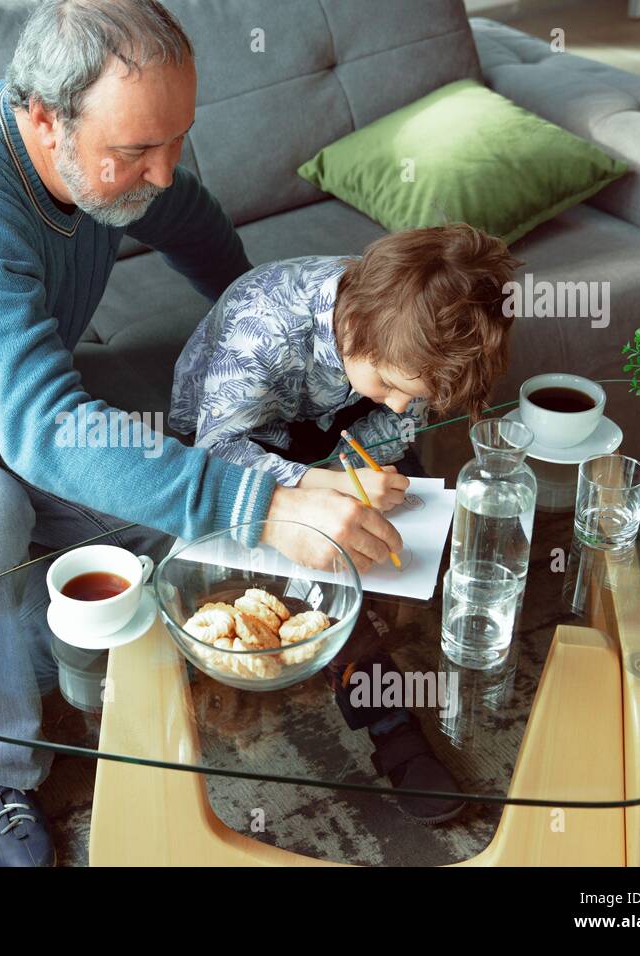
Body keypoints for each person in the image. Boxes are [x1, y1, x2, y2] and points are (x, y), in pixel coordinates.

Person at [0, 0, 403, 867]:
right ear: (46, 121)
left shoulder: (118, 162)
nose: (163, 173)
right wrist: (263, 501)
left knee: (167, 523)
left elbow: (191, 220)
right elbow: (45, 427)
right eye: (138, 152)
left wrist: (275, 334)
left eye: (176, 141)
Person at [170, 223, 522, 823]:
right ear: (356, 327)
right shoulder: (268, 327)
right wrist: (325, 485)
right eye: (392, 384)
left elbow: (391, 419)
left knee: (407, 546)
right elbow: (216, 457)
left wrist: (374, 449)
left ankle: (390, 666)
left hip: (340, 438)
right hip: (236, 441)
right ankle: (390, 720)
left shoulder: (418, 331)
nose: (405, 405)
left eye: (417, 395)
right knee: (331, 562)